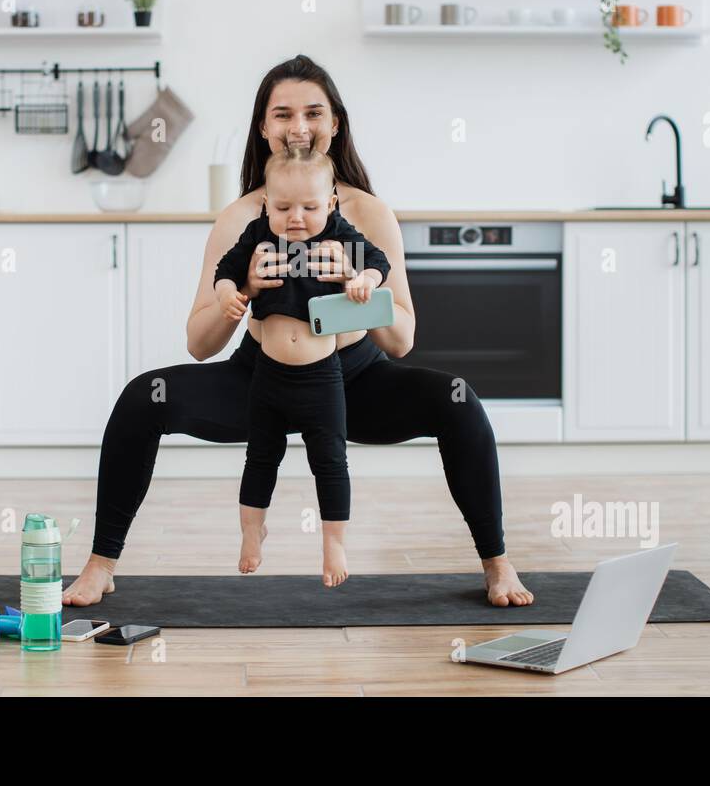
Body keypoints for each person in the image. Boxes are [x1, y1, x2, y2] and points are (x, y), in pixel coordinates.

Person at [63, 53, 534, 608]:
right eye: (283, 115)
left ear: (335, 124)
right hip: (260, 383)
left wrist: (351, 291)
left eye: (313, 113)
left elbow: (401, 338)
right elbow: (199, 341)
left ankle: (498, 565)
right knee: (144, 397)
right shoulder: (240, 218)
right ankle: (101, 563)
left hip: (350, 383)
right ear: (264, 127)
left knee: (458, 400)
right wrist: (243, 297)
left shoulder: (366, 214)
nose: (299, 128)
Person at [213, 144, 390, 586]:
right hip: (267, 374)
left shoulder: (337, 234)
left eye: (309, 206)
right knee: (260, 458)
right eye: (283, 206)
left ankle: (334, 543)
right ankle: (252, 533)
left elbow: (378, 262)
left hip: (322, 376)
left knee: (330, 461)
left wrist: (361, 279)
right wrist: (227, 294)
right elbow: (225, 269)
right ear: (265, 203)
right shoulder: (257, 234)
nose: (296, 217)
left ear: (329, 203)